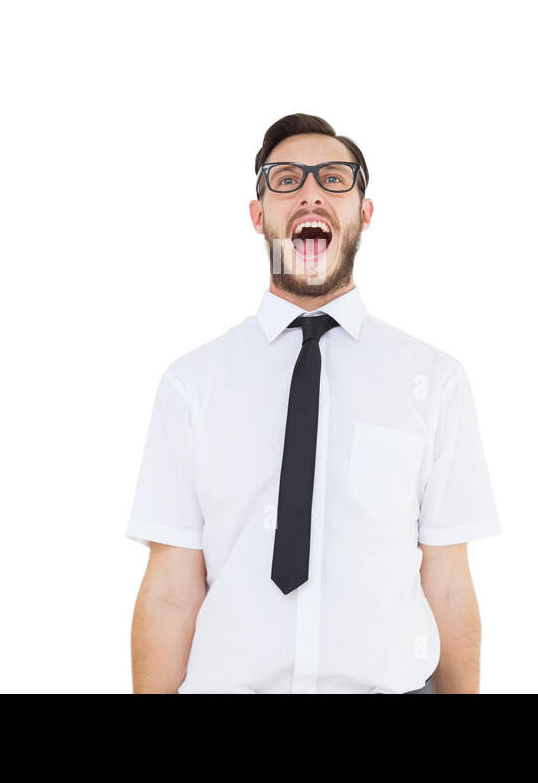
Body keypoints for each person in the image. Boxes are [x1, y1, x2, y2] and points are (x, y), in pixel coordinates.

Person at [125, 113, 502, 693]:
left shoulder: (434, 381)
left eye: (333, 178)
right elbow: (171, 590)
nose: (309, 192)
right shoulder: (191, 385)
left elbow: (449, 584)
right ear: (258, 216)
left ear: (364, 212)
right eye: (286, 180)